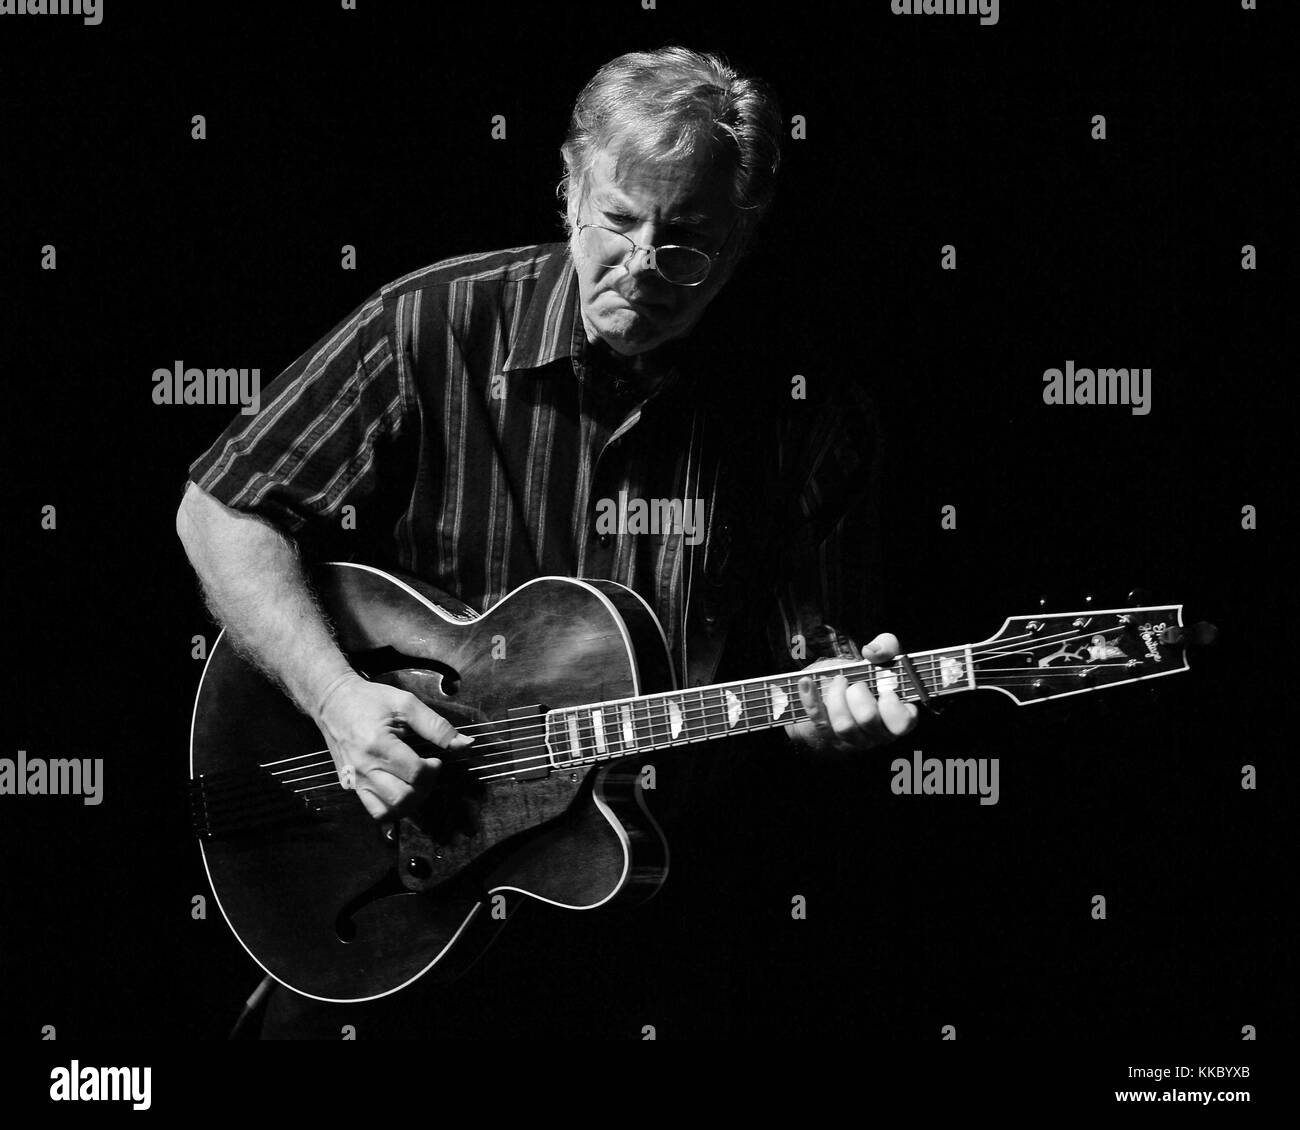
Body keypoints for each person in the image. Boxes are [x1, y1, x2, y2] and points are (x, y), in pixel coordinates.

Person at [177, 46, 917, 1038]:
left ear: (745, 236)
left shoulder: (810, 418)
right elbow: (220, 510)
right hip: (400, 868)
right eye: (617, 220)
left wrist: (839, 710)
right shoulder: (430, 324)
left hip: (655, 914)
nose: (643, 267)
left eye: (688, 239)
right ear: (567, 191)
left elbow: (818, 662)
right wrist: (338, 699)